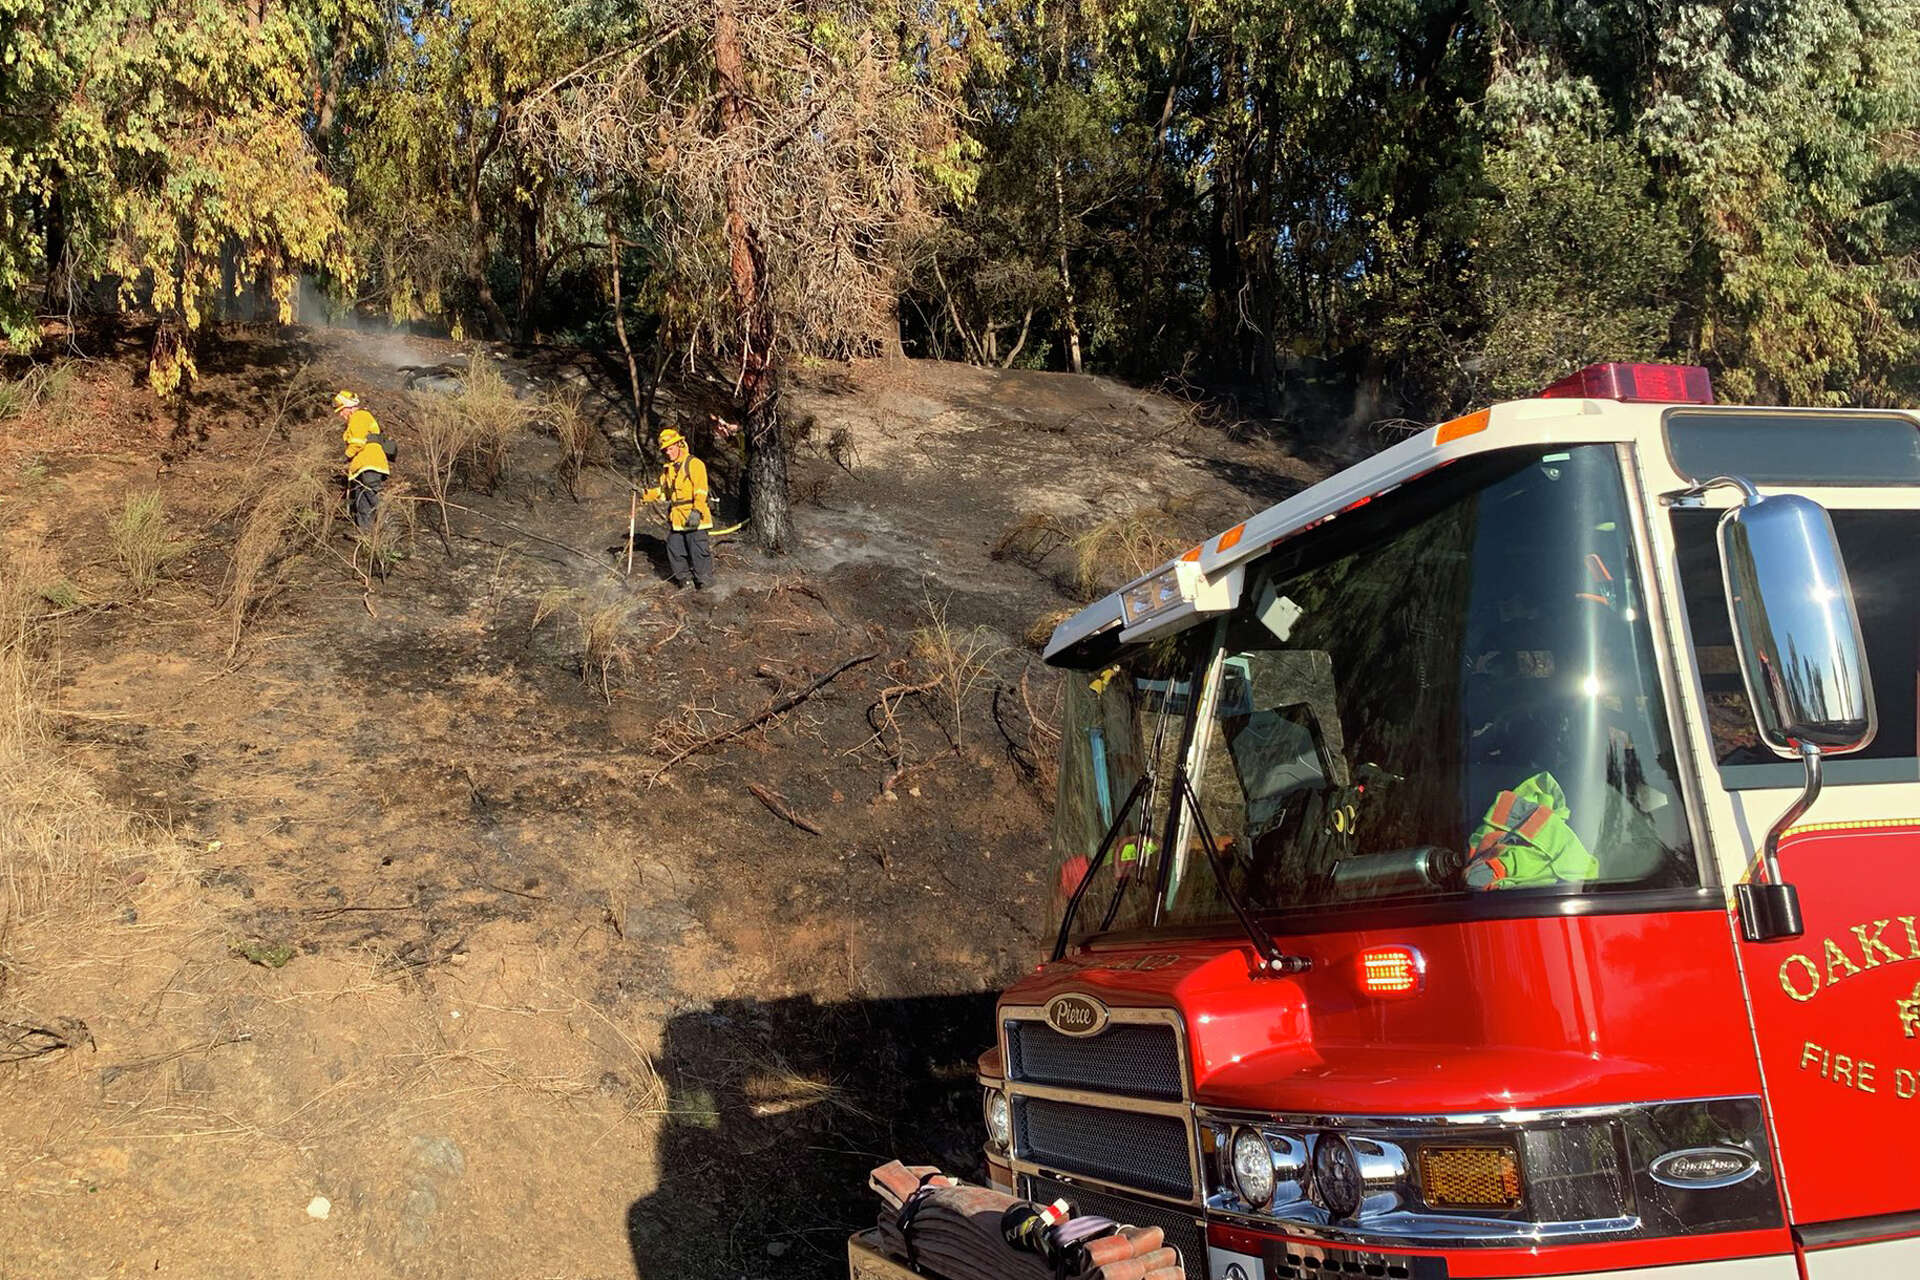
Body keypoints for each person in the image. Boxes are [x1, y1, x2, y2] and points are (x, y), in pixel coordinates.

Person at [640, 427, 714, 590]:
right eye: (665, 450)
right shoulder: (668, 470)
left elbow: (701, 490)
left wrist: (697, 511)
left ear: (680, 445)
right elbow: (664, 493)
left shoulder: (694, 464)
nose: (668, 452)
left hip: (695, 516)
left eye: (671, 448)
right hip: (677, 518)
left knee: (697, 550)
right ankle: (685, 581)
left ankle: (705, 584)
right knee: (674, 547)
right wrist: (646, 494)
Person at [334, 390, 392, 529]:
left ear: (349, 407)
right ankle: (365, 535)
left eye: (342, 410)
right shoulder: (356, 420)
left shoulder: (359, 416)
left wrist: (345, 456)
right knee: (362, 503)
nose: (341, 414)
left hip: (369, 464)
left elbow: (357, 443)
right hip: (362, 467)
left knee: (372, 498)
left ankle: (391, 524)